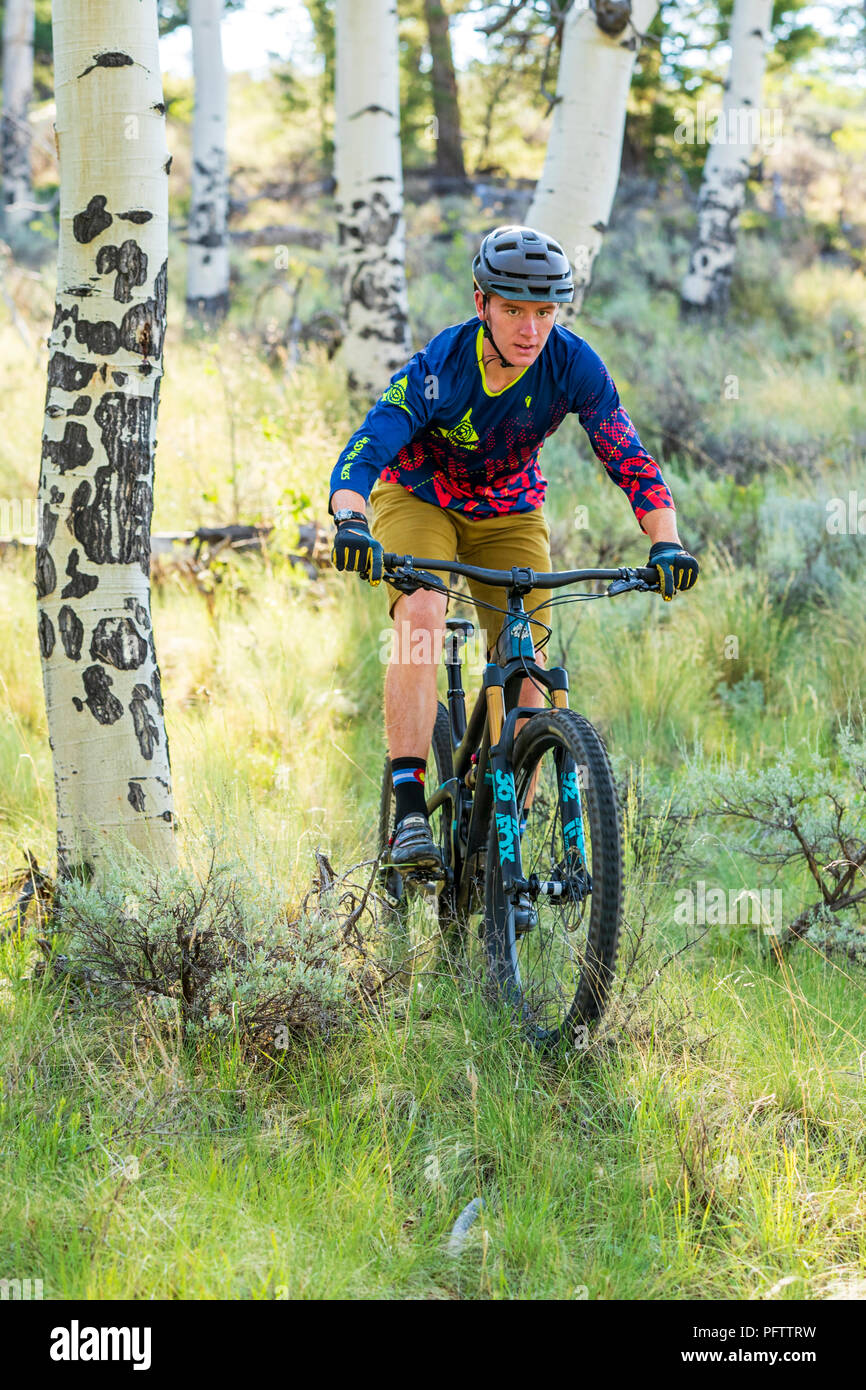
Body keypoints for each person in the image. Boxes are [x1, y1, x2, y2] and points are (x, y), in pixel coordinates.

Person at [328, 224, 698, 870]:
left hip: (509, 510)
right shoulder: (442, 367)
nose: (531, 330)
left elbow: (627, 456)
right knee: (420, 617)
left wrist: (666, 543)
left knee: (528, 668)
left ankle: (505, 842)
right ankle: (410, 812)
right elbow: (367, 447)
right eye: (514, 311)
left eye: (545, 313)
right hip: (419, 498)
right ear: (482, 304)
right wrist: (351, 522)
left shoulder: (572, 364)